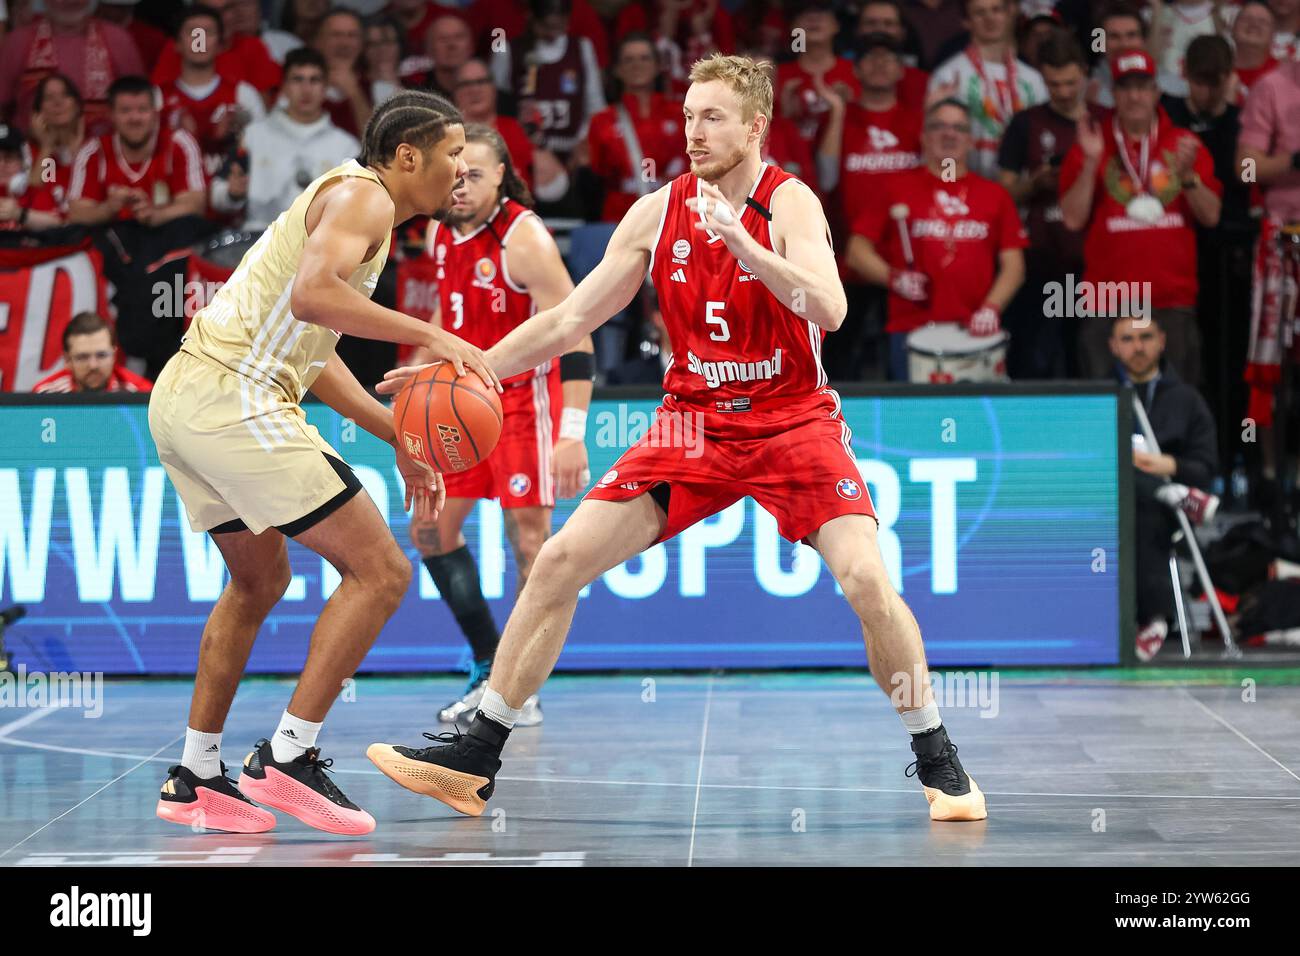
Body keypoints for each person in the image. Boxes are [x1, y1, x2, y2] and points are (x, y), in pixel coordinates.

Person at [368, 54, 988, 824]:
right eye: (688, 116)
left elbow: (829, 309)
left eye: (713, 117)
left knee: (866, 581)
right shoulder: (658, 211)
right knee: (559, 559)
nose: (693, 133)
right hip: (692, 424)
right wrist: (466, 368)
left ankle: (937, 755)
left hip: (792, 420)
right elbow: (569, 320)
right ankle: (477, 756)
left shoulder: (788, 203)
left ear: (755, 124)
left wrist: (749, 249)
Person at [148, 89, 501, 836]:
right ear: (407, 157)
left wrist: (399, 437)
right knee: (382, 571)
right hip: (234, 397)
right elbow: (313, 298)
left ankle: (195, 774)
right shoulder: (364, 199)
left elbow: (311, 350)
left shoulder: (351, 205)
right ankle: (288, 754)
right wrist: (433, 336)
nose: (460, 174)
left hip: (187, 397)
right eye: (450, 159)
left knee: (258, 579)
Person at [409, 123, 594, 726]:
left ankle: (519, 691)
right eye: (455, 172)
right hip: (462, 406)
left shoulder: (524, 238)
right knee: (430, 530)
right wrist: (416, 377)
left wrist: (571, 431)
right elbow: (447, 310)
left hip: (521, 404)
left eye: (476, 175)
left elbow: (577, 330)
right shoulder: (438, 231)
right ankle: (491, 664)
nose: (461, 186)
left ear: (503, 176)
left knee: (531, 545)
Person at [1060, 49, 1223, 384]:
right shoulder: (1091, 143)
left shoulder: (1184, 142)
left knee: (1174, 415)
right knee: (1106, 417)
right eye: (1125, 87)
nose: (1134, 96)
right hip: (1107, 304)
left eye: (1143, 87)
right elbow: (1073, 219)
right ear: (1113, 94)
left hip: (1170, 301)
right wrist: (1090, 164)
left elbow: (1211, 216)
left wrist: (1189, 177)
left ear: (1156, 92)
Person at [847, 98, 1027, 381]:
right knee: (914, 421)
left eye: (959, 128)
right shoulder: (896, 188)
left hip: (976, 332)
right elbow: (856, 251)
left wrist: (992, 308)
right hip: (912, 331)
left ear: (971, 140)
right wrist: (894, 278)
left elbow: (1014, 266)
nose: (949, 134)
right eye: (938, 126)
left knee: (978, 419)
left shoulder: (995, 195)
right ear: (924, 137)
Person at [67, 74, 212, 375]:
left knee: (189, 233)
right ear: (112, 115)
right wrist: (110, 207)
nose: (135, 118)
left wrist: (156, 213)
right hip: (119, 238)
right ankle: (131, 353)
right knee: (105, 248)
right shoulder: (95, 150)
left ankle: (160, 356)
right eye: (126, 111)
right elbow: (76, 212)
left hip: (166, 237)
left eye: (142, 110)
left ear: (155, 112)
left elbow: (196, 202)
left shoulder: (178, 142)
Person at [1109, 316, 1219, 662]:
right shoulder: (1099, 396)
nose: (1137, 346)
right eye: (1127, 338)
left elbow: (1206, 468)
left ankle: (1154, 620)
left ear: (1162, 342)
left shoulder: (1188, 401)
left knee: (1144, 513)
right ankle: (1164, 491)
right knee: (1117, 471)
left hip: (1163, 515)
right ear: (1113, 345)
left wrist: (1167, 466)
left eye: (1146, 337)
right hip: (1104, 501)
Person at [997, 29, 1104, 378]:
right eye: (1054, 84)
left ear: (1085, 72)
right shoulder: (1025, 123)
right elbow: (1004, 193)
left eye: (1071, 82)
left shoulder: (1105, 121)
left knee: (1088, 360)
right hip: (1040, 263)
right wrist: (1035, 183)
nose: (1063, 92)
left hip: (1095, 265)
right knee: (1033, 361)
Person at [211, 48, 360, 232]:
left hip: (321, 244)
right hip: (260, 239)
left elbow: (359, 206)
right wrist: (232, 194)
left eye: (314, 80)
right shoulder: (253, 135)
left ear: (325, 88)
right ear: (284, 87)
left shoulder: (346, 146)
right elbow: (217, 196)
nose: (306, 89)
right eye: (297, 79)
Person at [927, 0, 1047, 178]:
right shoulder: (948, 75)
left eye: (996, 10)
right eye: (979, 13)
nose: (989, 18)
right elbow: (937, 142)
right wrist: (949, 184)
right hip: (968, 192)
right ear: (966, 22)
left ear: (1009, 13)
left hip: (1023, 192)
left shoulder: (1033, 79)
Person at [0, 0, 143, 137]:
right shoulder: (18, 41)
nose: (70, 1)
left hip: (103, 155)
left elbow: (140, 102)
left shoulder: (118, 39)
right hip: (33, 154)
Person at [585, 32, 687, 222]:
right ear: (617, 69)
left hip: (674, 215)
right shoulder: (602, 121)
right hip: (619, 220)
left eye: (644, 58)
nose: (637, 65)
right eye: (629, 59)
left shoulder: (682, 114)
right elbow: (597, 176)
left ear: (657, 66)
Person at [158, 4, 265, 181]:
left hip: (234, 202)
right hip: (177, 201)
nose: (199, 40)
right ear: (176, 43)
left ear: (221, 44)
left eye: (208, 32)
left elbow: (262, 152)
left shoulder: (244, 95)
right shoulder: (158, 97)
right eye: (193, 32)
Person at [31, 311, 153, 392]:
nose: (93, 365)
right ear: (67, 360)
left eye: (101, 355)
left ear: (114, 355)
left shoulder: (141, 393)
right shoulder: (45, 396)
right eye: (82, 357)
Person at [1086, 3, 1147, 109]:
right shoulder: (1084, 89)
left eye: (1131, 35)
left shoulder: (1166, 87)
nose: (1124, 44)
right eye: (1114, 36)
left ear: (1143, 40)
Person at [1232, 0, 1279, 105]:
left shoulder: (1285, 75)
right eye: (1246, 19)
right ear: (1232, 28)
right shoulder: (1216, 70)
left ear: (1273, 34)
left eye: (1263, 22)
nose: (1254, 24)